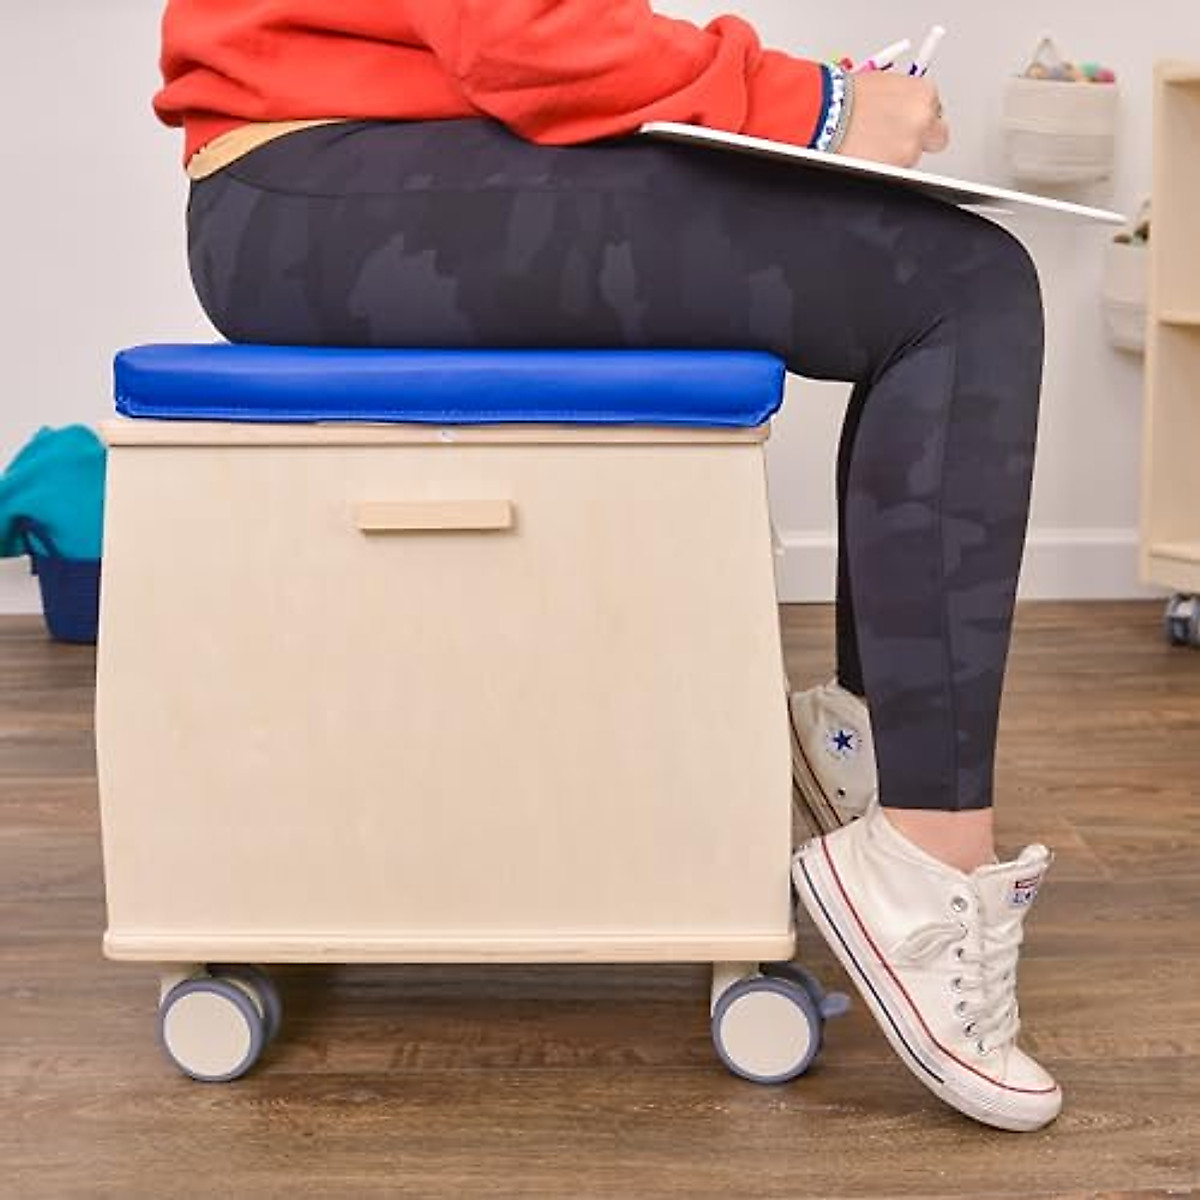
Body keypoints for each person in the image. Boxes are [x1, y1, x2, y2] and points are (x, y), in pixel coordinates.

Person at [156, 0, 1060, 1132]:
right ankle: (918, 864)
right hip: (309, 180)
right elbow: (514, 34)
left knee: (941, 271)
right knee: (957, 283)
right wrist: (815, 105)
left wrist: (793, 101)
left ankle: (868, 766)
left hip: (340, 165)